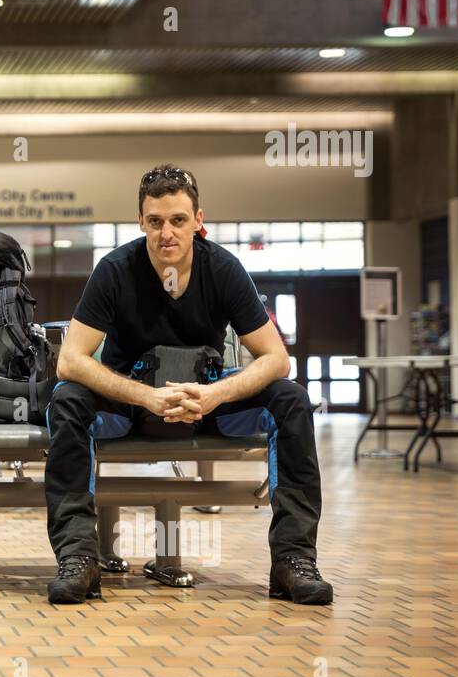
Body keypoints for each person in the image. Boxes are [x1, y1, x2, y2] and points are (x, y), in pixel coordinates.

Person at [44, 165, 331, 606]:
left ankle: (293, 562)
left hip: (207, 402)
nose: (166, 234)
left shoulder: (223, 269)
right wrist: (146, 396)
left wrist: (216, 394)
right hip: (130, 405)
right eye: (155, 222)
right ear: (141, 222)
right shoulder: (115, 270)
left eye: (178, 220)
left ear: (199, 219)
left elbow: (277, 358)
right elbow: (70, 361)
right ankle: (79, 559)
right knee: (67, 402)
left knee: (291, 400)